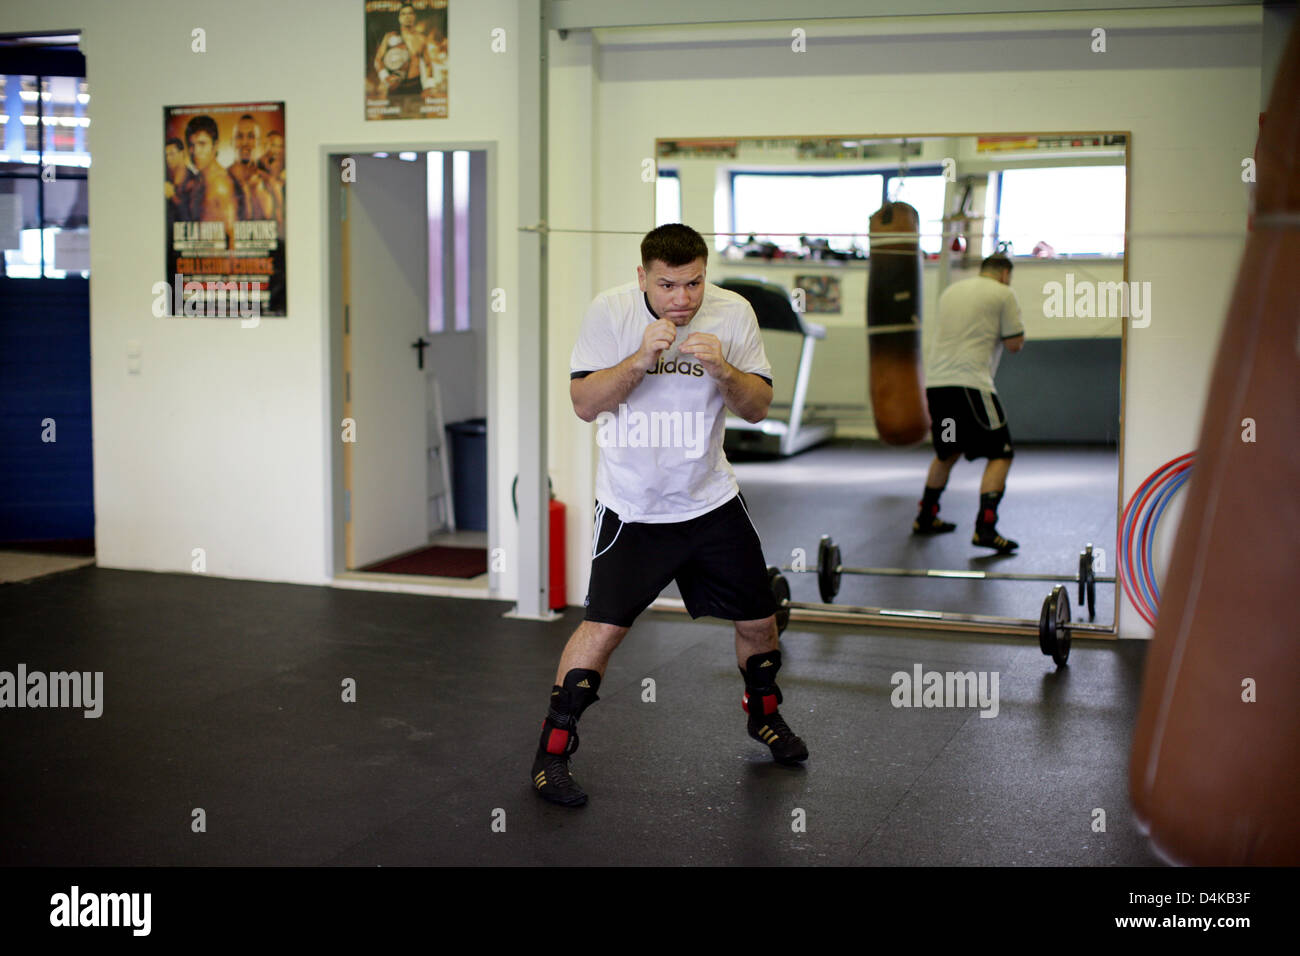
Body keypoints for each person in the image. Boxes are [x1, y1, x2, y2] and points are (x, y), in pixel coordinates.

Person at [531, 223, 809, 808]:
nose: (683, 299)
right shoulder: (609, 312)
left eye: (693, 283)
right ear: (643, 279)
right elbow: (584, 404)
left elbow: (758, 409)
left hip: (709, 500)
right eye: (667, 285)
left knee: (759, 620)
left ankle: (764, 716)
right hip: (634, 507)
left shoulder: (732, 313)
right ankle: (551, 754)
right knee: (602, 632)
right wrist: (639, 360)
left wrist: (725, 372)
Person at [913, 253, 1025, 552]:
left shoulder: (952, 291)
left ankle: (926, 516)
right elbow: (1015, 344)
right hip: (971, 387)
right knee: (1001, 453)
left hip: (937, 386)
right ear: (1004, 274)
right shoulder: (1004, 292)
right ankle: (986, 528)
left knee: (948, 451)